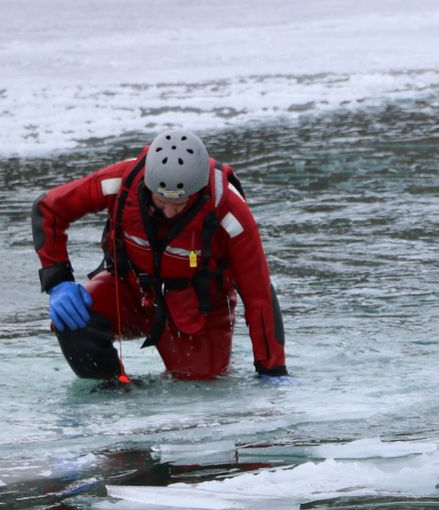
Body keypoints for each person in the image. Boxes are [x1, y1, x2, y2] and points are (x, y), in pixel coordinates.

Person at [32, 130, 289, 382]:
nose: (168, 212)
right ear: (147, 185)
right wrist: (59, 282)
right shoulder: (121, 181)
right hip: (130, 292)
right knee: (72, 320)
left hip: (199, 313)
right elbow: (49, 208)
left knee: (200, 392)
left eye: (178, 205)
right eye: (160, 201)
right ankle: (110, 395)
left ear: (197, 191)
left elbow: (259, 296)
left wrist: (272, 370)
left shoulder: (230, 212)